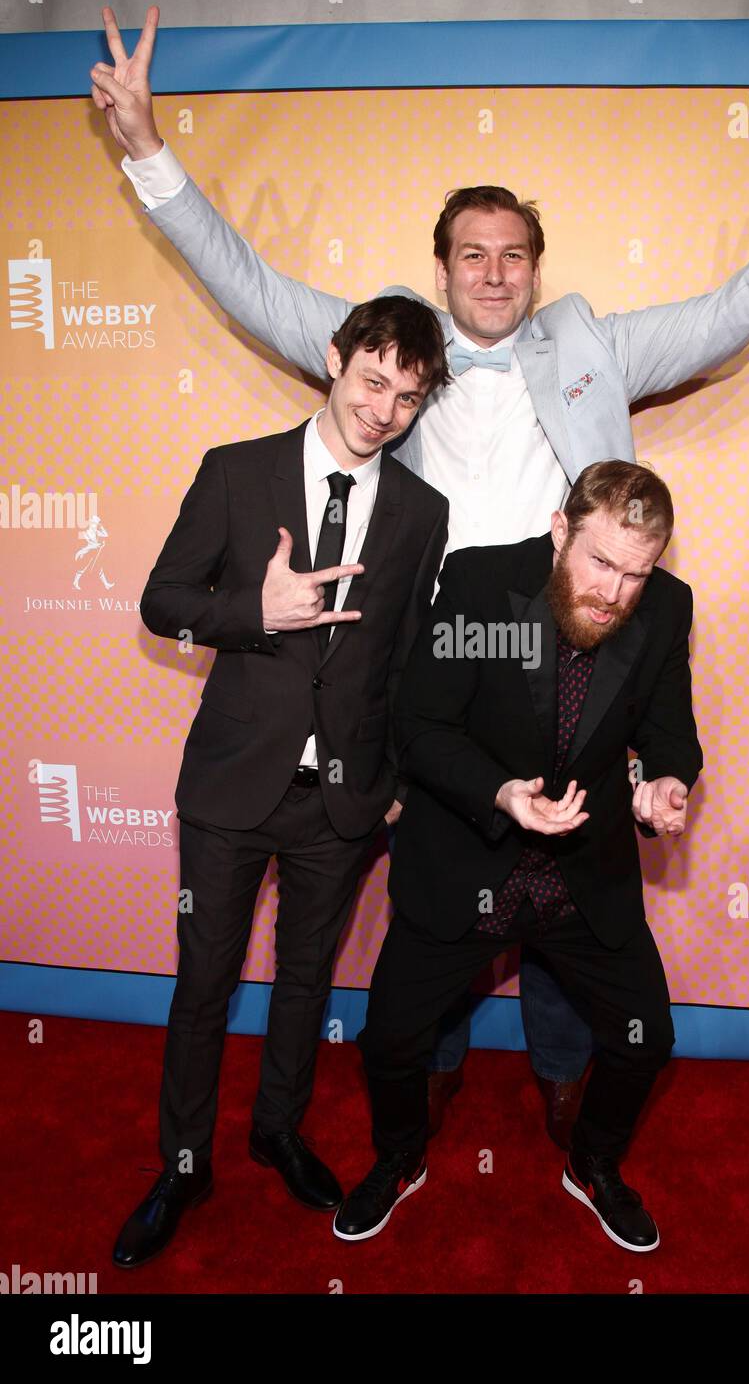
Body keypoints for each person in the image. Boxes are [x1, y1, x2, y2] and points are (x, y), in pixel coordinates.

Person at [90, 7, 749, 1144]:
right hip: (426, 660)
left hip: (556, 649)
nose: (494, 272)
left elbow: (735, 306)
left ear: (537, 270)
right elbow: (250, 284)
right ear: (442, 267)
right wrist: (147, 153)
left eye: (513, 255)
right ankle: (422, 1073)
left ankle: (563, 1076)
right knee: (435, 883)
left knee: (568, 864)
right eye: (472, 254)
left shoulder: (595, 345)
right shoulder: (396, 357)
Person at [112, 296, 450, 1267]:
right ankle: (181, 1165)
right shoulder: (236, 470)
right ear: (335, 360)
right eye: (372, 379)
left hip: (342, 803)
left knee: (305, 980)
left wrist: (387, 783)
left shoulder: (422, 512)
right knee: (203, 985)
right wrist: (251, 609)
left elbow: (401, 660)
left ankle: (278, 1131)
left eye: (407, 396)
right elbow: (162, 602)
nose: (383, 409)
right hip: (228, 789)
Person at [335, 460, 701, 1252]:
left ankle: (593, 1163)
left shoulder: (666, 609)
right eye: (601, 562)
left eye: (637, 573)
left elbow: (669, 726)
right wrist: (502, 792)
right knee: (390, 1041)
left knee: (647, 1038)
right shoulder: (477, 583)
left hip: (579, 872)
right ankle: (401, 1158)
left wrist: (669, 780)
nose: (614, 592)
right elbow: (423, 726)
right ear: (561, 528)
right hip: (474, 858)